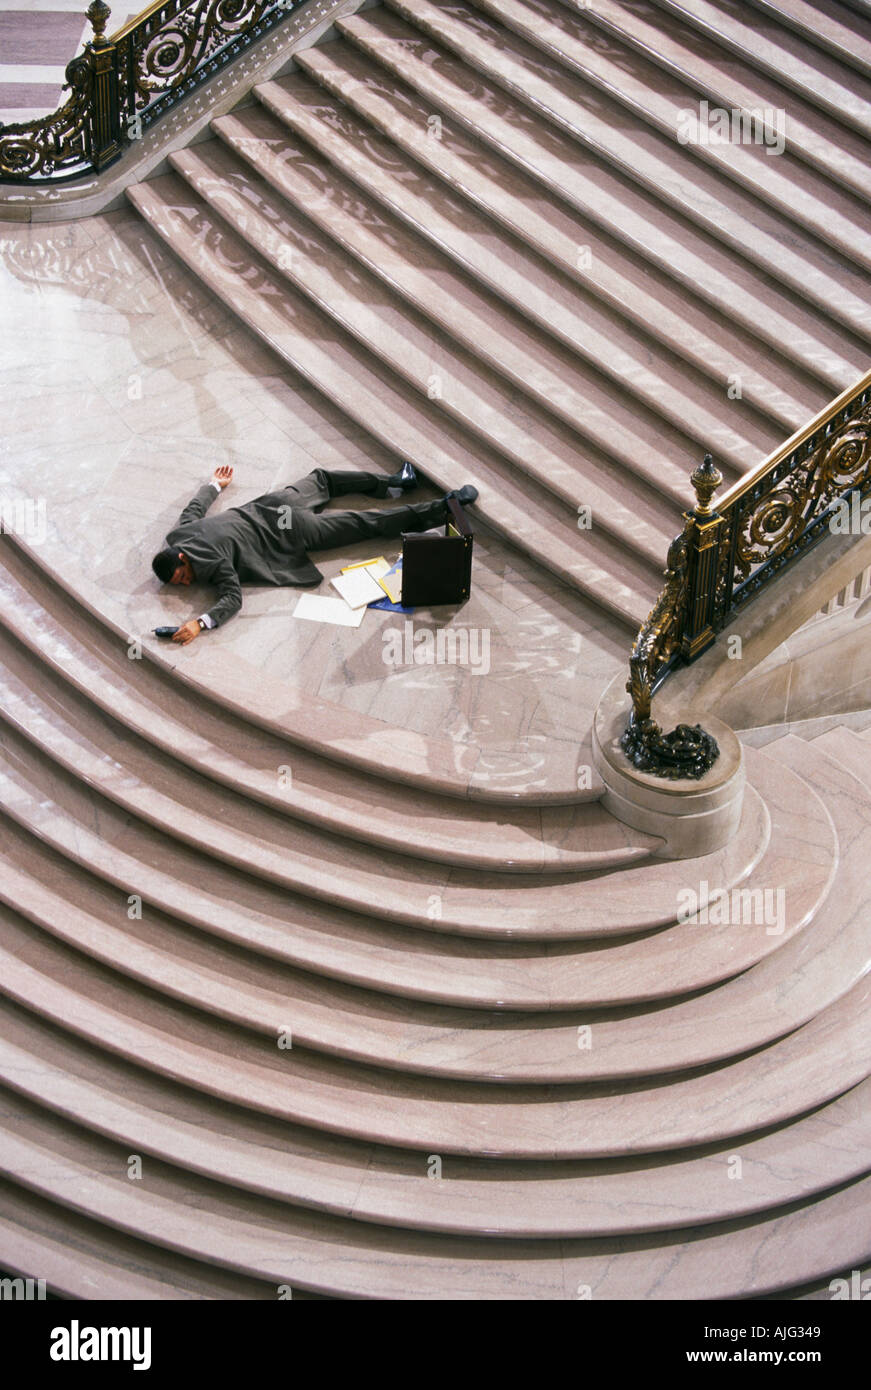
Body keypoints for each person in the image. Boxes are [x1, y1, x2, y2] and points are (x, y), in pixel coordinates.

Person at [151, 463, 478, 645]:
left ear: (181, 557)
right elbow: (195, 508)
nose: (187, 583)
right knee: (324, 479)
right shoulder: (179, 535)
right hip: (276, 504)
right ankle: (396, 482)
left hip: (290, 532)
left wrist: (201, 623)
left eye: (183, 576)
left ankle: (442, 507)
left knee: (364, 524)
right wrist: (213, 485)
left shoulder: (211, 565)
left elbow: (232, 599)